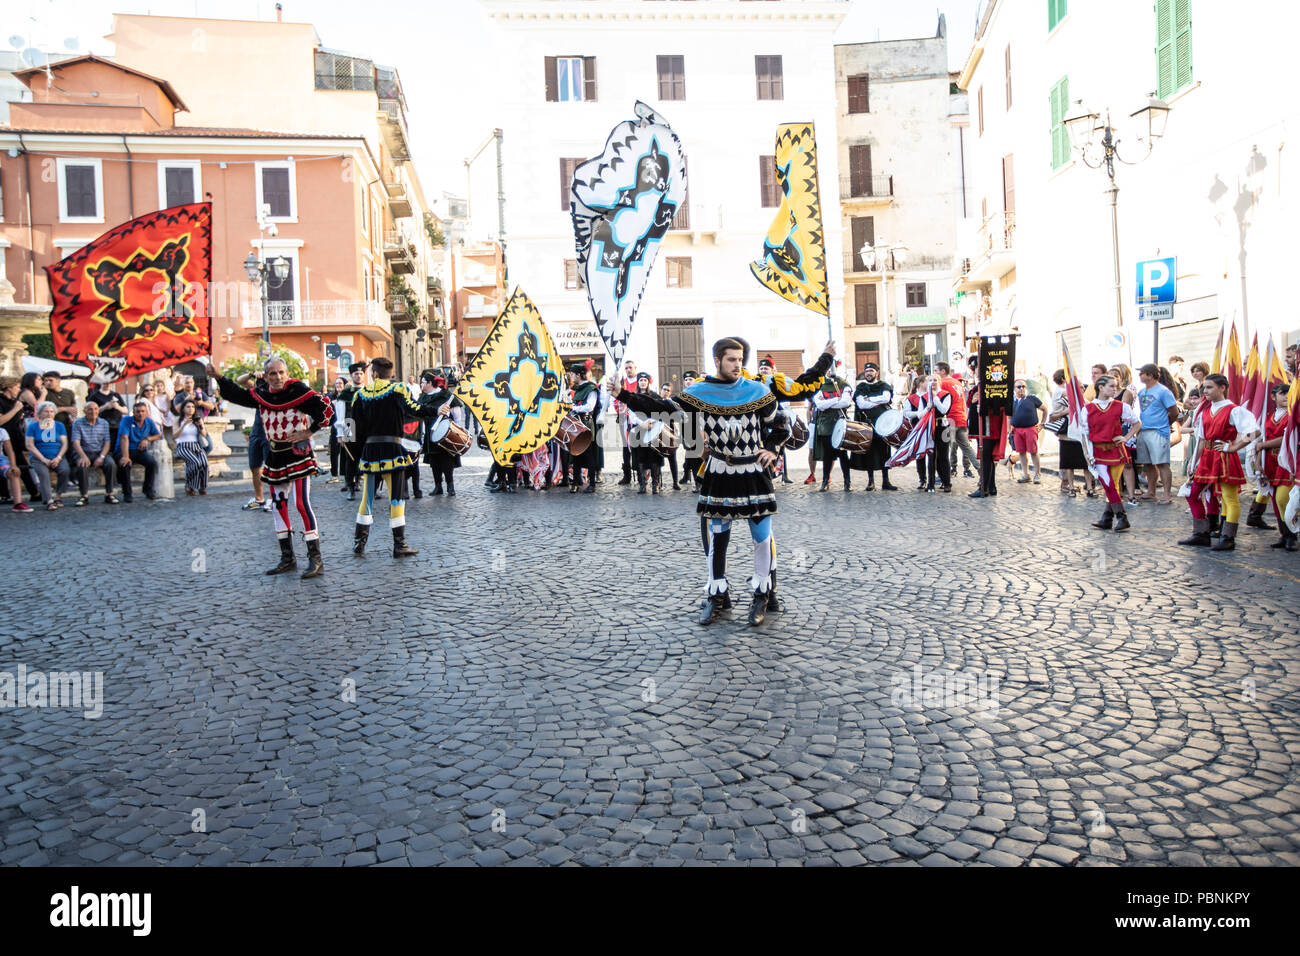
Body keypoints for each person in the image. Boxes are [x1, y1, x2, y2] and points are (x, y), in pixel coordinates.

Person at [612, 336, 801, 626]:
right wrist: (622, 394)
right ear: (717, 360)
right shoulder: (698, 393)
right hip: (720, 473)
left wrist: (773, 448)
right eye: (731, 360)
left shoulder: (758, 390)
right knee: (718, 539)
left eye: (740, 360)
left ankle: (763, 594)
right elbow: (660, 407)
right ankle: (717, 596)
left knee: (762, 539)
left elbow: (781, 423)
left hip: (754, 473)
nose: (737, 365)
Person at [215, 358, 334, 578]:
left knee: (301, 503)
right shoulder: (262, 395)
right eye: (272, 374)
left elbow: (327, 411)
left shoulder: (298, 391)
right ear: (266, 376)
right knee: (278, 506)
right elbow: (236, 394)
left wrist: (309, 432)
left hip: (298, 455)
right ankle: (287, 557)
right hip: (276, 457)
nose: (278, 377)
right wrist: (218, 377)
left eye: (281, 372)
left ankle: (315, 559)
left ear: (287, 373)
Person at [349, 356, 443, 557]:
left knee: (366, 498)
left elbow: (353, 428)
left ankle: (359, 543)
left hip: (370, 451)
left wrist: (357, 455)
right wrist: (435, 410)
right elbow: (415, 409)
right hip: (392, 449)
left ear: (374, 373)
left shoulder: (360, 395)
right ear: (389, 374)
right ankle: (399, 545)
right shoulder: (398, 390)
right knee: (397, 498)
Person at [1177, 373, 1259, 551]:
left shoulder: (1234, 410)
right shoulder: (1205, 410)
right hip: (1206, 457)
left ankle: (1228, 537)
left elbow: (1254, 432)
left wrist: (1233, 447)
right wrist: (1193, 461)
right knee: (1192, 494)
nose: (1205, 391)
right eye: (1204, 388)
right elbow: (1200, 438)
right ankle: (1201, 534)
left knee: (1229, 498)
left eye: (1209, 387)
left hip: (1224, 458)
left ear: (1222, 388)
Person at [1083, 375, 1140, 533]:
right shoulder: (1088, 409)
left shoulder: (1120, 406)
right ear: (1100, 387)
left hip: (1117, 450)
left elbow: (1137, 423)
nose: (1115, 389)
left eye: (1116, 386)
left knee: (1113, 485)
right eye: (1111, 386)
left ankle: (1107, 519)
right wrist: (1087, 454)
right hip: (1098, 451)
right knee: (1108, 484)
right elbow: (1084, 434)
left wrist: (1126, 437)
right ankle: (1122, 517)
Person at [1257, 381, 1297, 550]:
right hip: (1269, 462)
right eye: (1282, 394)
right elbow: (1259, 440)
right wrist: (1258, 462)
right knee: (1274, 500)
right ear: (1273, 396)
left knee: (1283, 498)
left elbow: (1286, 438)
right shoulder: (1267, 417)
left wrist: (1263, 445)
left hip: (1284, 461)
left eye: (1289, 394)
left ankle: (1293, 534)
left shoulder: (1291, 416)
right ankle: (1284, 535)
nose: (1286, 397)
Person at [1135, 363, 1179, 505]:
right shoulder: (1142, 392)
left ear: (1150, 375)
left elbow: (1174, 412)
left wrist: (1166, 424)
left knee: (1162, 463)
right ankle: (1151, 491)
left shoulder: (1164, 391)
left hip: (1158, 430)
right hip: (1144, 429)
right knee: (1148, 464)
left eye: (1142, 373)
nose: (1139, 375)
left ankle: (1167, 494)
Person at [849, 362, 897, 491]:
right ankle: (871, 481)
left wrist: (869, 399)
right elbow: (861, 404)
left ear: (877, 372)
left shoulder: (884, 385)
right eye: (866, 371)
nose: (868, 373)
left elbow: (886, 399)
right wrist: (877, 400)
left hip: (883, 425)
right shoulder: (861, 387)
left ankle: (886, 481)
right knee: (869, 452)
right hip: (867, 425)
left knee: (884, 452)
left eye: (871, 371)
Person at [1047, 369, 1091, 497]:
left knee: (1083, 460)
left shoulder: (1062, 392)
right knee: (1067, 459)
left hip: (1079, 431)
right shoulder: (1061, 392)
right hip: (1066, 429)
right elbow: (1070, 405)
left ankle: (1084, 485)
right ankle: (1066, 483)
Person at [419, 371, 462, 496]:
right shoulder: (423, 398)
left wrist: (456, 431)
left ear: (430, 383)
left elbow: (457, 415)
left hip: (445, 434)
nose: (421, 385)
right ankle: (438, 486)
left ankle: (450, 485)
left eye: (423, 382)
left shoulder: (446, 396)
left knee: (446, 460)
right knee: (434, 461)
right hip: (429, 434)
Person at [235, 372, 273, 513]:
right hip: (257, 431)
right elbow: (240, 380)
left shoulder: (277, 389)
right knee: (254, 467)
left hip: (270, 432)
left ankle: (274, 499)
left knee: (271, 468)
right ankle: (259, 498)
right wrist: (252, 374)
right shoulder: (258, 389)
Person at [70, 400, 118, 505]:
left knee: (111, 464)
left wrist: (101, 457)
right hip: (83, 452)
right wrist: (83, 456)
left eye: (96, 409)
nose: (93, 411)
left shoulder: (104, 423)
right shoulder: (77, 423)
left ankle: (109, 494)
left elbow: (107, 443)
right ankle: (84, 496)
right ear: (84, 411)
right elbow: (75, 442)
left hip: (99, 452)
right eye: (90, 409)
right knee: (82, 465)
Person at [626, 372, 667, 494]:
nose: (643, 382)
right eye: (641, 380)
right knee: (640, 457)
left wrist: (651, 421)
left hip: (653, 430)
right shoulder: (633, 397)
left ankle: (655, 484)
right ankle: (642, 484)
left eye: (645, 380)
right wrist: (642, 423)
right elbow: (632, 414)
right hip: (640, 429)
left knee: (654, 457)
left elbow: (660, 411)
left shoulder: (654, 396)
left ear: (648, 382)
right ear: (638, 382)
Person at [25, 401, 70, 509]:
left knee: (65, 470)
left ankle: (58, 497)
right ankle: (49, 500)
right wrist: (43, 459)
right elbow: (29, 445)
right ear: (39, 414)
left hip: (57, 456)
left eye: (51, 411)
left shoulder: (59, 426)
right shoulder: (32, 427)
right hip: (38, 458)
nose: (49, 414)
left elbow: (64, 444)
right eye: (46, 412)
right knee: (44, 474)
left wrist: (58, 458)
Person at [564, 362, 600, 494]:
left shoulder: (591, 388)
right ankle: (576, 482)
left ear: (579, 375)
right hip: (575, 424)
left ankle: (592, 483)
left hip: (586, 424)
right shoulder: (577, 389)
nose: (571, 376)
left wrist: (573, 408)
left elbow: (589, 407)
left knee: (589, 455)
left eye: (573, 374)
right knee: (576, 453)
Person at [0, 375, 37, 502]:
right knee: (6, 465)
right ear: (9, 388)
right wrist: (15, 409)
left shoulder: (15, 401)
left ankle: (34, 492)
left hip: (15, 438)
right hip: (3, 438)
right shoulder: (2, 401)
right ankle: (4, 494)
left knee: (21, 465)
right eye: (16, 387)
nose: (18, 389)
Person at [117, 400, 162, 502]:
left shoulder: (149, 421)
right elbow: (124, 438)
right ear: (133, 412)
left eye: (142, 411)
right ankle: (127, 493)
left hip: (139, 451)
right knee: (125, 465)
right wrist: (126, 456)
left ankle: (148, 489)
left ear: (146, 412)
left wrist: (147, 439)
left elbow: (158, 435)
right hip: (124, 449)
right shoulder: (126, 420)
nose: (140, 414)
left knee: (151, 463)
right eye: (138, 411)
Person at [812, 378, 852, 492]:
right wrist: (836, 399)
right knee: (827, 456)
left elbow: (845, 402)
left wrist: (828, 402)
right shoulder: (820, 387)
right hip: (826, 426)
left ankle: (847, 482)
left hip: (840, 424)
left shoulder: (844, 386)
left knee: (843, 454)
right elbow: (820, 405)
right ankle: (825, 481)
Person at [938, 362, 975, 480]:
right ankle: (982, 472)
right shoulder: (957, 383)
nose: (935, 373)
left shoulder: (943, 383)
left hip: (949, 420)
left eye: (936, 371)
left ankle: (944, 475)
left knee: (943, 449)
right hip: (960, 418)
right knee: (967, 449)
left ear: (943, 371)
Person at [340, 361, 367, 500]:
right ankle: (350, 486)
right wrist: (340, 434)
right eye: (356, 374)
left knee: (367, 457)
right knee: (351, 458)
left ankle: (365, 484)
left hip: (366, 429)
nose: (358, 376)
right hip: (349, 426)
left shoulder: (369, 391)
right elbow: (340, 414)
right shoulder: (345, 394)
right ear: (351, 375)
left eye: (361, 373)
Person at [1009, 379, 1045, 483]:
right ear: (1014, 389)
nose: (1021, 389)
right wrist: (1009, 428)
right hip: (1017, 430)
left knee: (1033, 451)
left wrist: (1042, 423)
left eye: (1023, 386)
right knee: (1021, 452)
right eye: (1019, 387)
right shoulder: (1012, 401)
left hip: (1030, 428)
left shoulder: (1032, 399)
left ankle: (1037, 474)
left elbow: (1045, 409)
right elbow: (1009, 416)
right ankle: (1026, 474)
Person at [172, 398, 209, 496]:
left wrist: (200, 426)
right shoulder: (177, 420)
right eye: (188, 407)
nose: (191, 409)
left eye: (193, 407)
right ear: (183, 408)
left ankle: (202, 487)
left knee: (204, 463)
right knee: (196, 463)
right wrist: (183, 425)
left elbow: (204, 435)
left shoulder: (198, 419)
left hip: (196, 446)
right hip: (183, 446)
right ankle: (190, 485)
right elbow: (174, 436)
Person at [614, 358, 638, 485]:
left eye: (630, 367)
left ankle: (641, 473)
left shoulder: (641, 381)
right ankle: (627, 475)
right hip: (624, 418)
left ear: (635, 368)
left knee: (639, 446)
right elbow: (616, 397)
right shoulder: (622, 383)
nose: (628, 370)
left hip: (638, 418)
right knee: (625, 447)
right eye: (626, 368)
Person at [0, 424, 30, 511]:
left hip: (1, 459)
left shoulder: (2, 431)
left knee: (13, 472)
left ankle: (18, 504)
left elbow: (10, 451)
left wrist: (13, 465)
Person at [660, 382, 682, 490]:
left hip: (670, 431)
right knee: (658, 459)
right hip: (658, 431)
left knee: (672, 457)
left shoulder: (672, 403)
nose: (666, 392)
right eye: (664, 389)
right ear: (661, 390)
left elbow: (678, 416)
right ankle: (658, 483)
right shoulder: (656, 401)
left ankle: (675, 482)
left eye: (668, 390)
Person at [327, 376, 348, 483]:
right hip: (335, 426)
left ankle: (350, 475)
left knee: (347, 451)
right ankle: (334, 475)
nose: (338, 385)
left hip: (347, 426)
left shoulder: (348, 396)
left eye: (340, 383)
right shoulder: (331, 397)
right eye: (336, 384)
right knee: (334, 451)